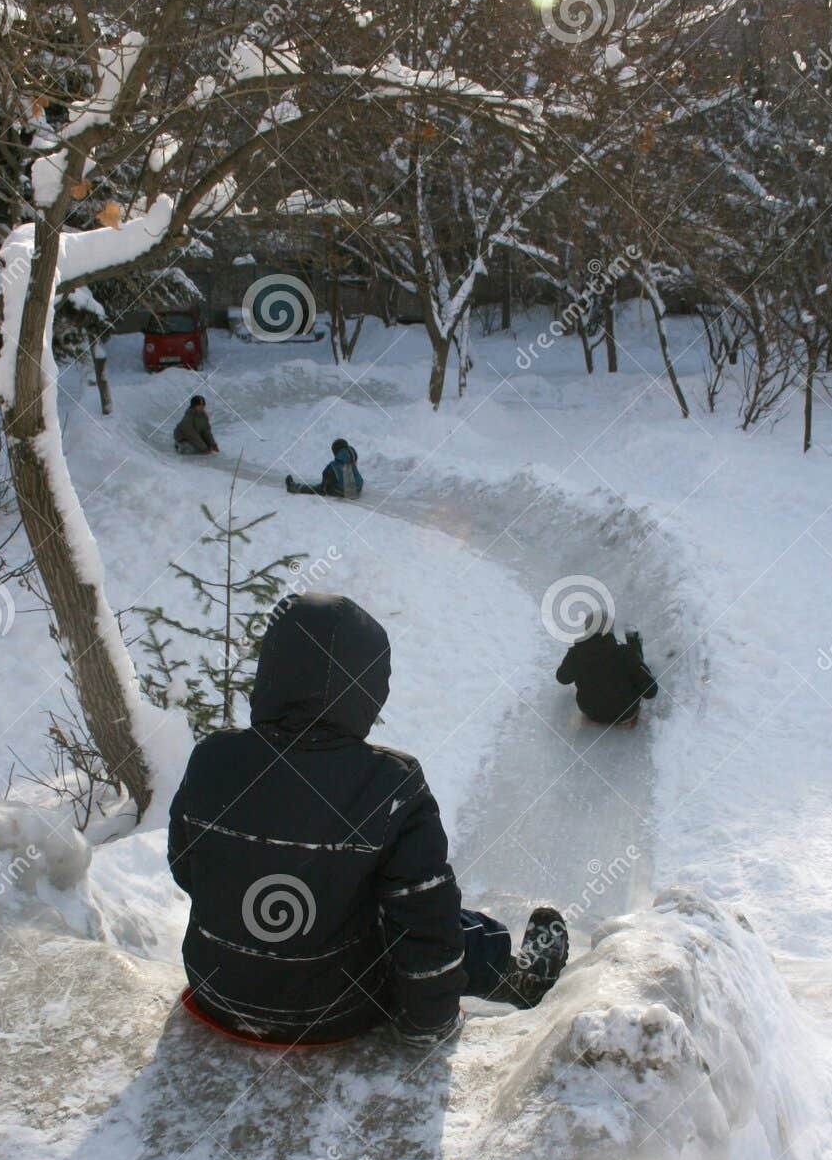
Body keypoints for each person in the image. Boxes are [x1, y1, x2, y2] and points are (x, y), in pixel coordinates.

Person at [168, 593, 568, 1046]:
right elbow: (425, 927)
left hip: (216, 993)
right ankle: (515, 975)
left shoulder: (211, 758)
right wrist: (428, 1024)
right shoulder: (389, 782)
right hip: (335, 1011)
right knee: (429, 914)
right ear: (368, 688)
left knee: (376, 904)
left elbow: (186, 869)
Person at [556, 614, 659, 726]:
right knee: (634, 667)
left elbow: (562, 678)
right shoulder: (625, 654)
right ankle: (634, 642)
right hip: (625, 713)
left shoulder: (577, 654)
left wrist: (573, 657)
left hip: (591, 712)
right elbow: (650, 692)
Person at [285, 438, 364, 498]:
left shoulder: (333, 466)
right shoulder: (352, 459)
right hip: (358, 489)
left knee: (318, 488)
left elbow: (324, 487)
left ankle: (294, 487)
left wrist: (324, 488)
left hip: (346, 493)